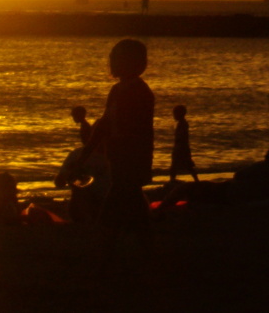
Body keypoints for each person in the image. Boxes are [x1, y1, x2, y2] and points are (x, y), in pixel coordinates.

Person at [83, 38, 155, 262]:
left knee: (115, 203)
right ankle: (146, 250)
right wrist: (87, 153)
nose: (112, 62)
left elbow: (136, 131)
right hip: (119, 157)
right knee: (133, 205)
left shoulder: (140, 92)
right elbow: (105, 123)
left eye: (116, 57)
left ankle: (105, 251)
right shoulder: (117, 90)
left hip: (130, 157)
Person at [169, 105, 199, 183]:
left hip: (181, 148)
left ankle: (172, 181)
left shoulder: (183, 124)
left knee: (180, 166)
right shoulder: (182, 123)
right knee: (180, 166)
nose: (174, 115)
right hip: (182, 147)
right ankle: (196, 180)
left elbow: (181, 137)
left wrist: (178, 148)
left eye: (175, 113)